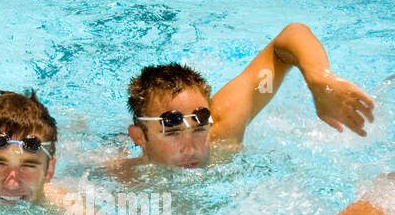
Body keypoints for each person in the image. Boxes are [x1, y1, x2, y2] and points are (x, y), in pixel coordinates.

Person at [117, 23, 374, 173]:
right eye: (172, 133)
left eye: (199, 128)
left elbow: (289, 39)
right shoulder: (123, 179)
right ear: (139, 137)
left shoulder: (223, 128)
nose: (191, 148)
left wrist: (320, 81)